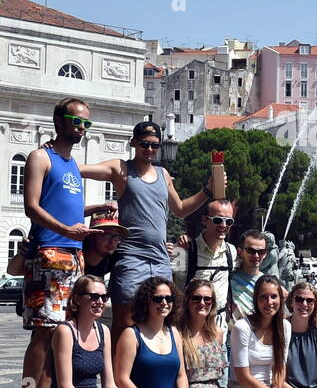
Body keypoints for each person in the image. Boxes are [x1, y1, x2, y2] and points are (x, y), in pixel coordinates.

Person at [81, 120, 218, 334]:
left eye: (155, 145)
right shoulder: (121, 169)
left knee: (160, 324)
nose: (150, 149)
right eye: (145, 144)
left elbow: (180, 208)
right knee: (124, 324)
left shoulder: (163, 174)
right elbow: (80, 169)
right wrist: (53, 156)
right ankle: (120, 368)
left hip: (161, 259)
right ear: (133, 143)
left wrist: (207, 191)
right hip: (131, 258)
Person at [14, 98, 97, 388]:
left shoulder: (73, 164)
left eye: (86, 124)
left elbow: (69, 211)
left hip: (74, 255)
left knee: (62, 335)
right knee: (42, 336)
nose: (81, 128)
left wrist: (96, 210)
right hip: (48, 253)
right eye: (76, 121)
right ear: (58, 121)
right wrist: (64, 230)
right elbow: (31, 206)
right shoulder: (40, 157)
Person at [176, 198, 239, 331]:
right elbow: (175, 289)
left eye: (229, 221)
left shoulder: (231, 251)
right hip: (190, 327)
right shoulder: (181, 251)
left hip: (219, 327)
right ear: (205, 220)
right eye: (217, 220)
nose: (223, 225)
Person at [229, 229, 267, 319]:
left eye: (261, 252)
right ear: (240, 251)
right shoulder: (227, 277)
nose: (256, 256)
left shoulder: (267, 283)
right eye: (251, 251)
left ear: (265, 254)